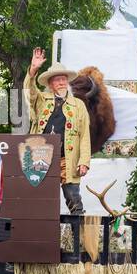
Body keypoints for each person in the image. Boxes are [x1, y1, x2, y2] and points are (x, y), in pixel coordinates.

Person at [24, 47, 90, 215]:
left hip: (67, 158)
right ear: (51, 84)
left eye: (63, 79)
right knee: (40, 198)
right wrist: (33, 70)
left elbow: (84, 136)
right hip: (41, 156)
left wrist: (84, 161)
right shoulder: (41, 100)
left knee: (73, 198)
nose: (61, 82)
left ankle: (78, 237)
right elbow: (30, 93)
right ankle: (41, 234)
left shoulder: (78, 105)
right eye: (57, 80)